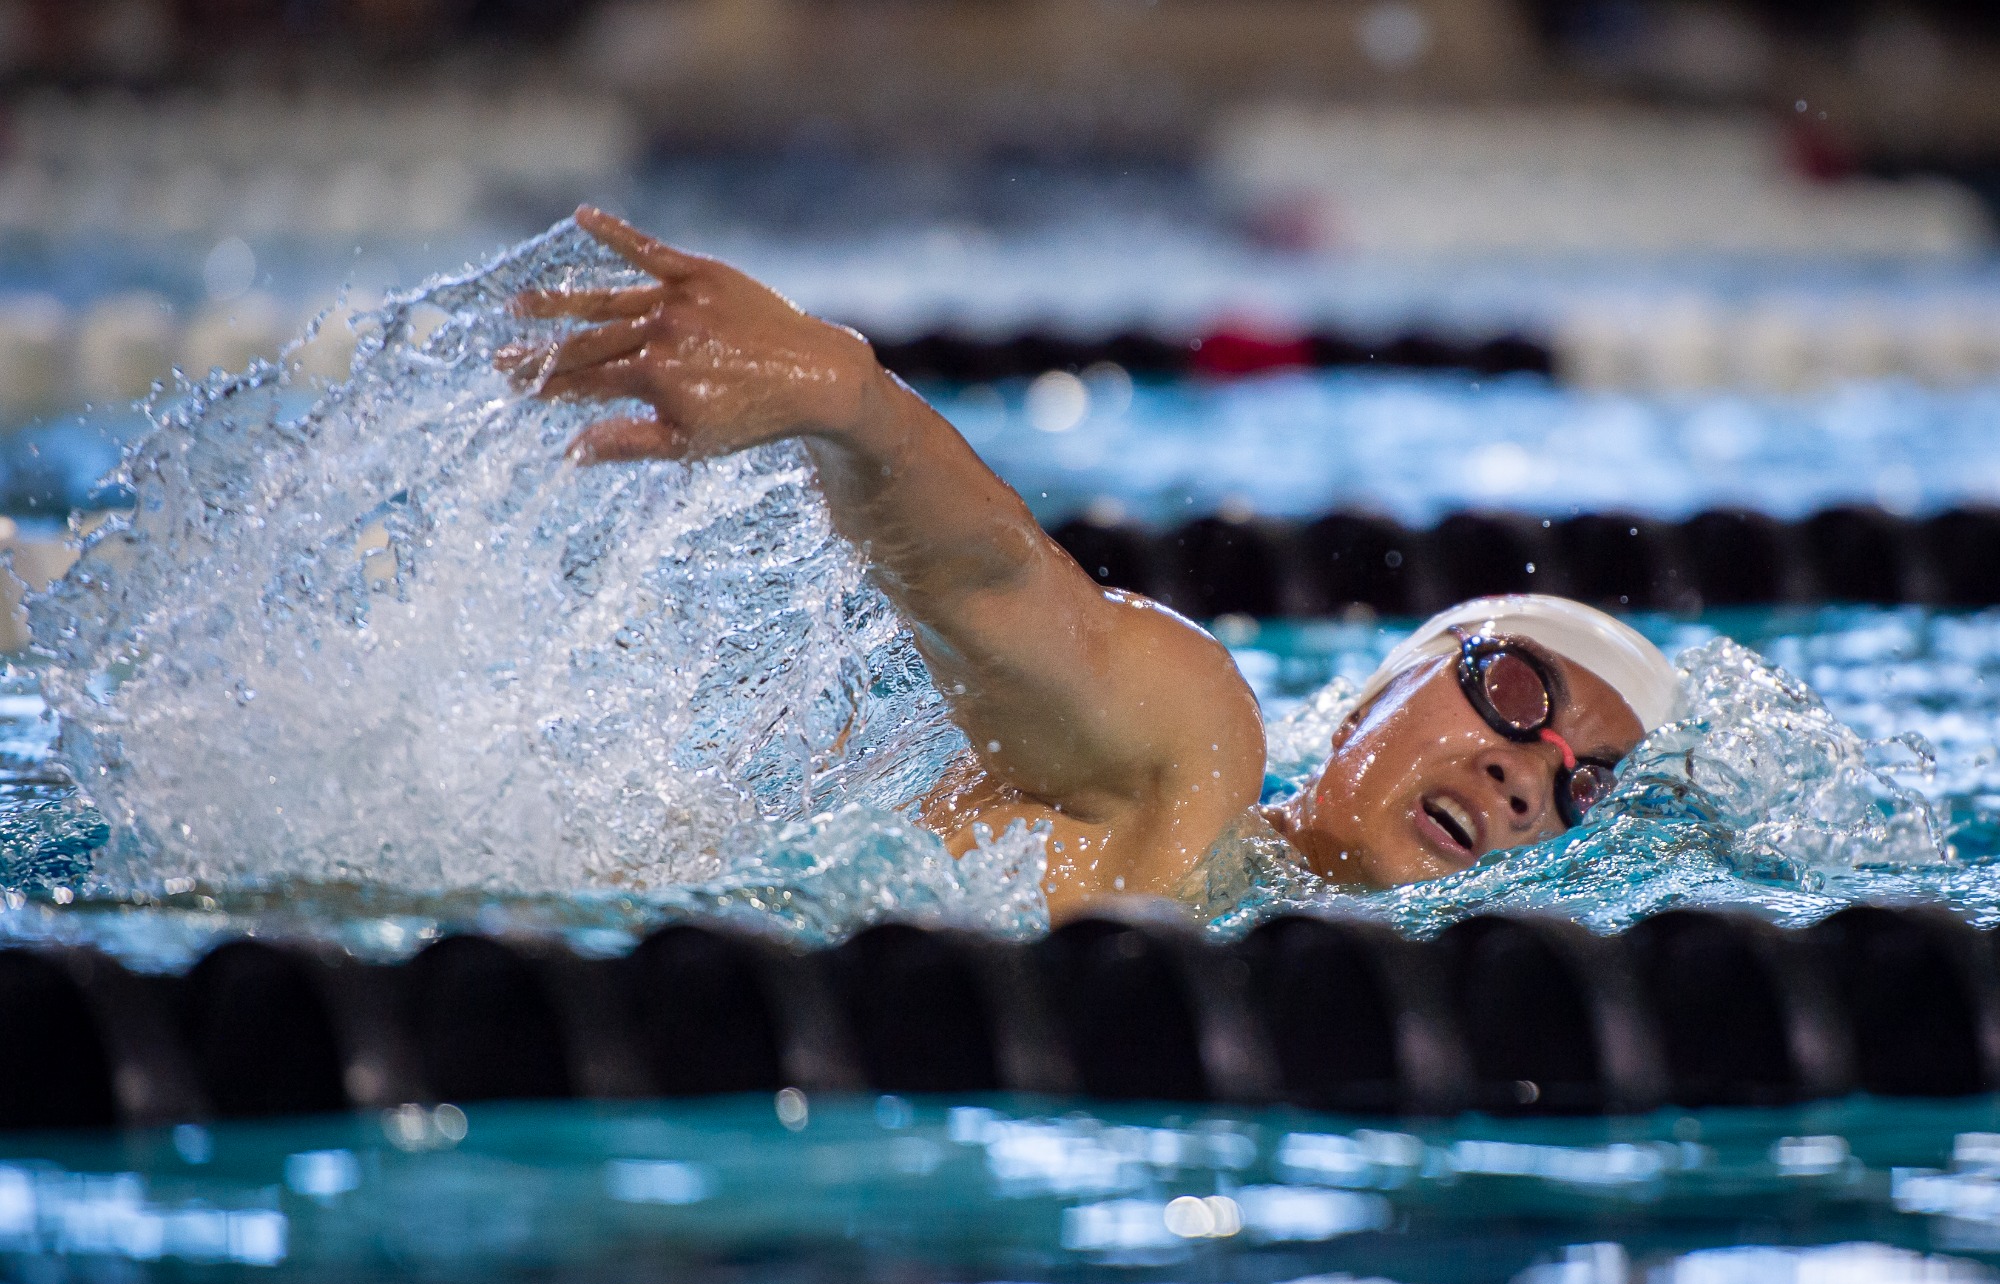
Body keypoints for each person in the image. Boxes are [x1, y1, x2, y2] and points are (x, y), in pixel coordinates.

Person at [499, 206, 1681, 922]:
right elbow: (997, 591)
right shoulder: (1193, 756)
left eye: (1588, 788)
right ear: (1373, 695)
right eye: (1516, 692)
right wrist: (854, 401)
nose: (1529, 775)